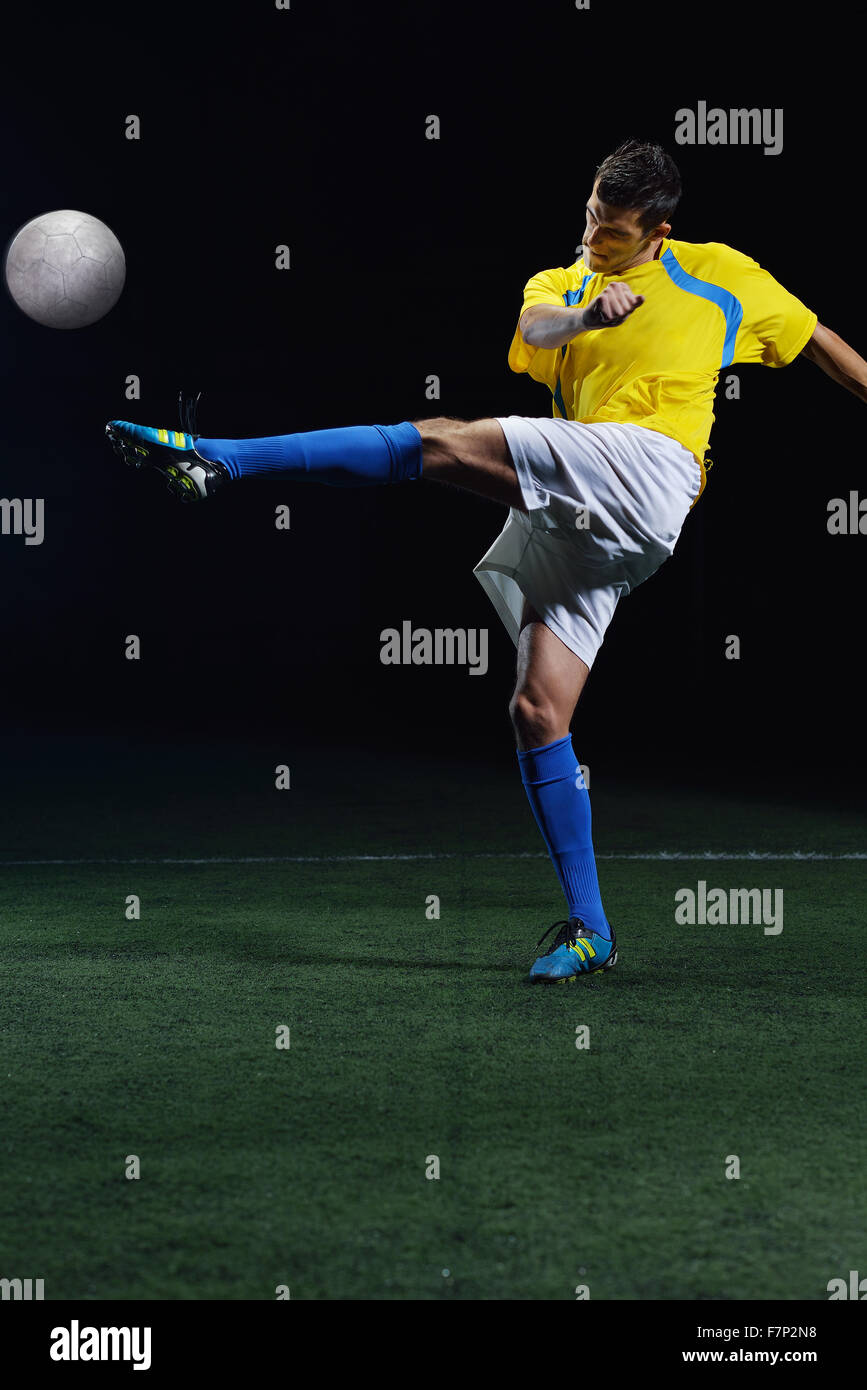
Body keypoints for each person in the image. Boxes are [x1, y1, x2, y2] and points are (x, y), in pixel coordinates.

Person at [106, 138, 865, 983]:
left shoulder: (719, 275)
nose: (591, 238)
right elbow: (536, 327)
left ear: (658, 230)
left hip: (650, 470)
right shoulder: (560, 284)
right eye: (587, 216)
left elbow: (815, 339)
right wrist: (586, 314)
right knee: (538, 711)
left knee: (435, 442)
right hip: (591, 510)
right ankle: (592, 932)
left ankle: (220, 457)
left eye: (610, 232)